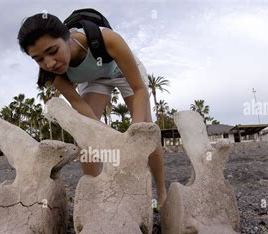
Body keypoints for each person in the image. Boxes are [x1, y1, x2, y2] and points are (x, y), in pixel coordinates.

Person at [17, 12, 167, 207]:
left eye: (53, 51)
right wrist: (108, 140)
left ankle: (162, 194)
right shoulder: (51, 73)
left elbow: (139, 89)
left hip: (121, 71)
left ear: (67, 37)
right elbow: (82, 110)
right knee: (86, 141)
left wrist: (135, 139)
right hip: (95, 80)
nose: (50, 63)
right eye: (39, 59)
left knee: (147, 132)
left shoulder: (107, 39)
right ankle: (96, 198)